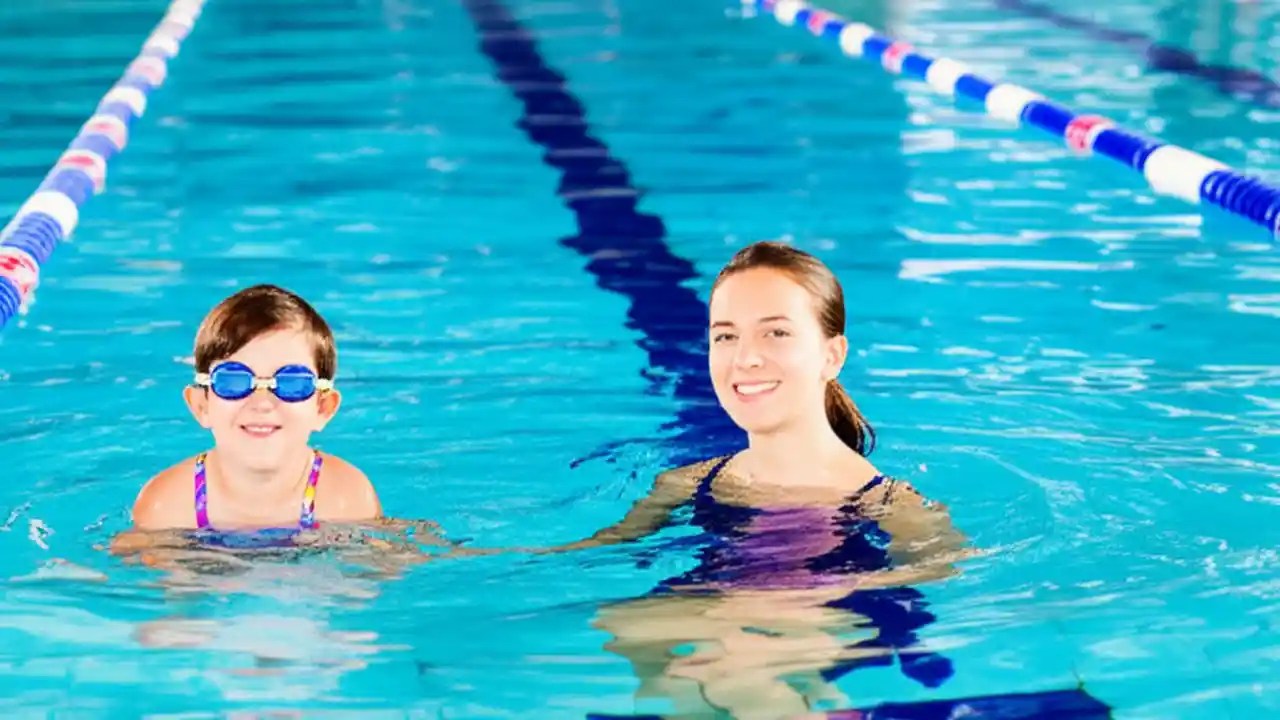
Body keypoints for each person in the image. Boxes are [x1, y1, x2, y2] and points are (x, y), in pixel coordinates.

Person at [544, 241, 973, 718]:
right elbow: (605, 547)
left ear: (831, 356)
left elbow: (945, 568)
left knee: (743, 661)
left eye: (776, 333)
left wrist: (808, 597)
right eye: (725, 336)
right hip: (723, 616)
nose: (745, 359)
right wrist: (469, 557)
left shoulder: (887, 501)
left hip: (825, 624)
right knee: (626, 621)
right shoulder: (687, 483)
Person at [125, 284, 382, 539]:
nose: (262, 402)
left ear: (323, 408)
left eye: (291, 383)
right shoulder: (168, 507)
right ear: (201, 405)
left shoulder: (346, 499)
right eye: (233, 381)